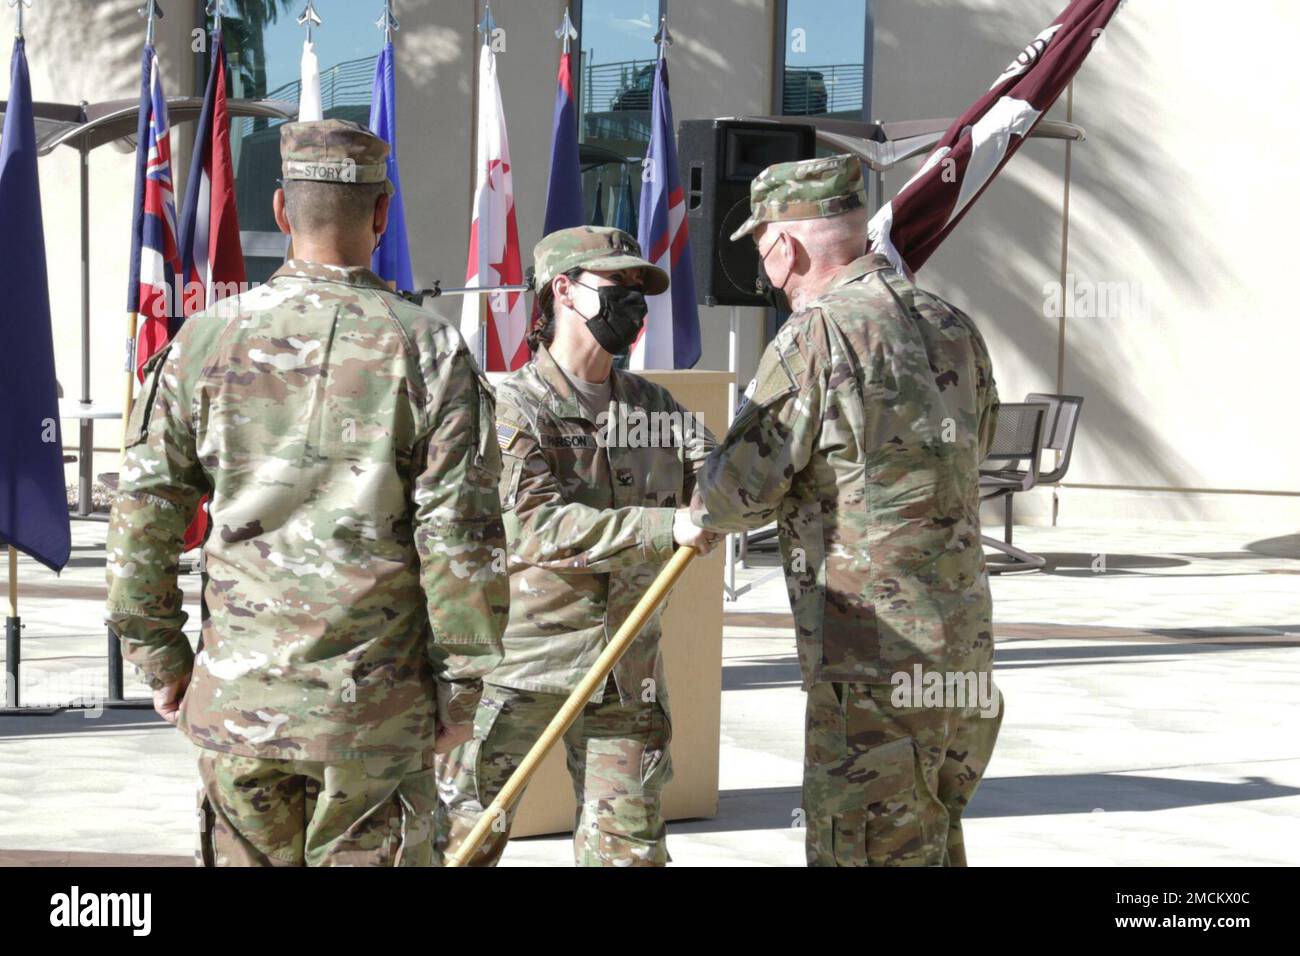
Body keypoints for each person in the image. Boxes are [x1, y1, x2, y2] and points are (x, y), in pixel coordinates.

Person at [105, 119, 509, 867]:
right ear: (382, 215)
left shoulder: (202, 341)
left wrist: (162, 661)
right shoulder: (428, 349)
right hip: (372, 718)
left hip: (240, 703)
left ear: (282, 212)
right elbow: (461, 538)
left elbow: (142, 517)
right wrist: (461, 692)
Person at [690, 154, 1002, 867]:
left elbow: (740, 489)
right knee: (929, 837)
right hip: (961, 648)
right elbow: (974, 444)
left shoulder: (816, 336)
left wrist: (692, 508)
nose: (765, 262)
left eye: (762, 245)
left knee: (860, 849)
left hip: (872, 657)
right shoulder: (952, 323)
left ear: (784, 245)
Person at [436, 226, 718, 867]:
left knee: (630, 853)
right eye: (618, 286)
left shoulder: (654, 408)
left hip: (626, 673)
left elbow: (727, 480)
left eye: (641, 290)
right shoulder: (509, 408)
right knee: (460, 843)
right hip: (521, 671)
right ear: (563, 290)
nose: (635, 304)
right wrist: (663, 526)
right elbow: (534, 526)